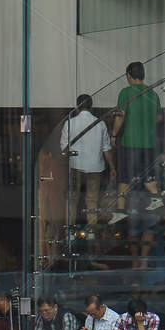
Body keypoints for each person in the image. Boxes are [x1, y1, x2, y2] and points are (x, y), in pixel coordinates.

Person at [110, 62, 165, 263]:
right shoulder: (153, 94)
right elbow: (159, 117)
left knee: (124, 176)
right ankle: (156, 197)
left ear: (128, 76)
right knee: (147, 175)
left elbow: (120, 116)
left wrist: (114, 134)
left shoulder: (126, 92)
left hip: (130, 142)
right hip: (148, 144)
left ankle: (119, 211)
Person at [61, 94, 114, 244]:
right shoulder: (100, 123)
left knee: (72, 200)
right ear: (91, 107)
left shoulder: (69, 123)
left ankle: (69, 232)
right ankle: (91, 231)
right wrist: (112, 167)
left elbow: (63, 148)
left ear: (77, 107)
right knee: (92, 200)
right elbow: (106, 148)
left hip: (75, 166)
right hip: (95, 167)